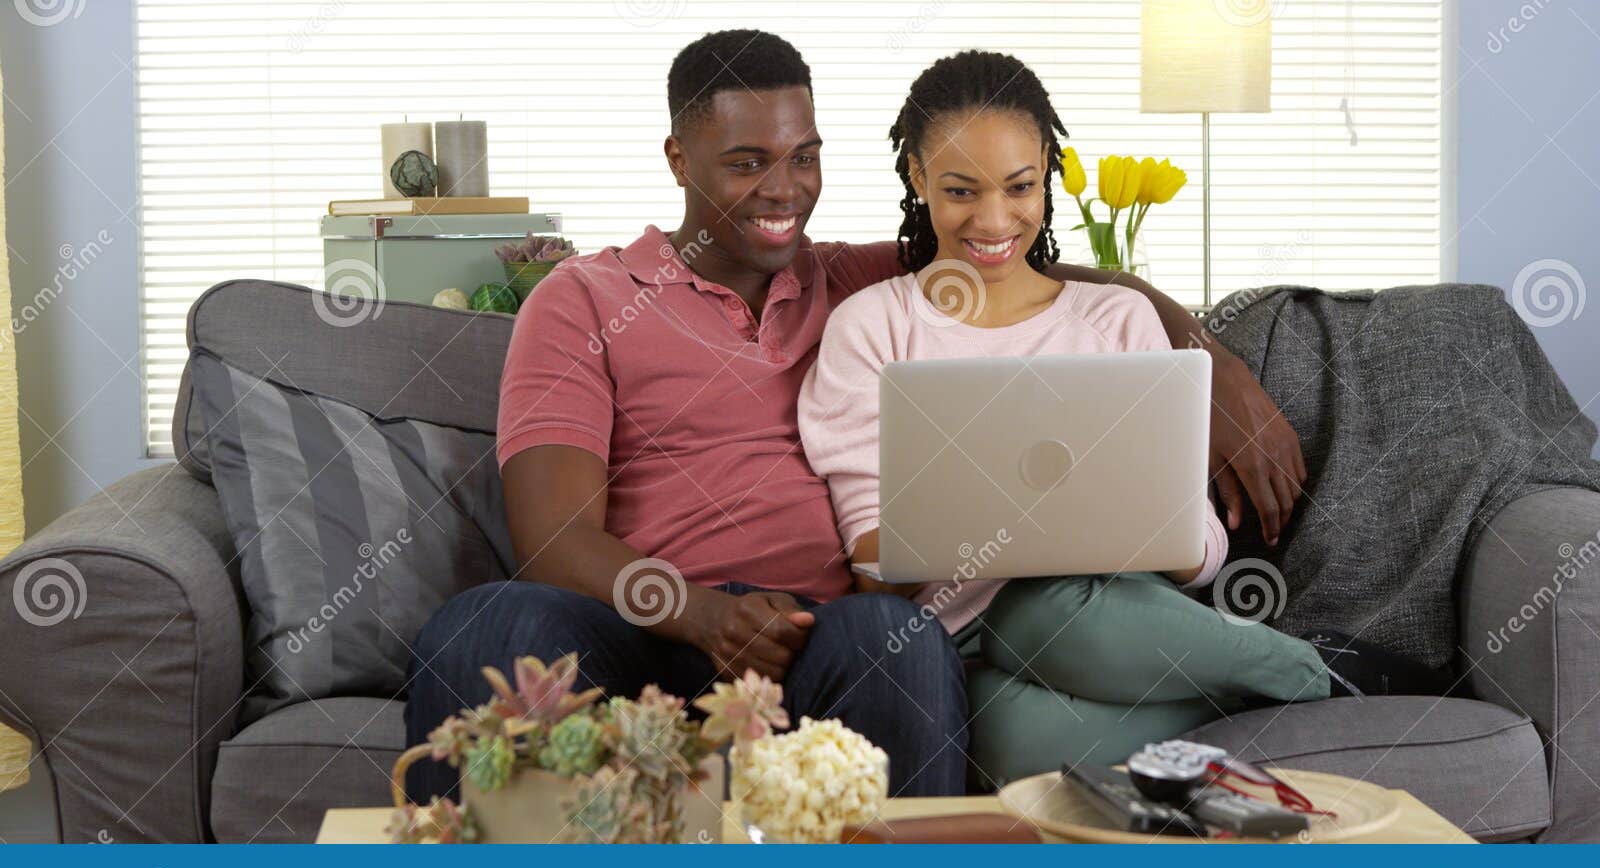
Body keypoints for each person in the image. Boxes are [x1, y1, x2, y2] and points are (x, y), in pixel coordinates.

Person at [405, 30, 1311, 801]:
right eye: (748, 163)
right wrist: (698, 616)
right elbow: (551, 538)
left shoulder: (848, 278)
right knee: (482, 627)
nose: (785, 191)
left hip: (820, 637)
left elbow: (1018, 256)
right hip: (646, 627)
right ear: (679, 160)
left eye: (804, 157)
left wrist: (1211, 357)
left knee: (897, 637)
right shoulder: (587, 299)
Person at [797, 50, 1449, 782]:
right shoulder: (873, 329)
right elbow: (876, 571)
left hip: (1102, 611)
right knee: (1013, 749)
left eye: (1020, 187)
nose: (993, 219)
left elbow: (1199, 552)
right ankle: (1301, 679)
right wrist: (1006, 524)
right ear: (917, 177)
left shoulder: (1114, 319)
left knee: (1047, 609)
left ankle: (1291, 667)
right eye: (959, 190)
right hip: (966, 642)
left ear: (1047, 167)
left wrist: (1115, 533)